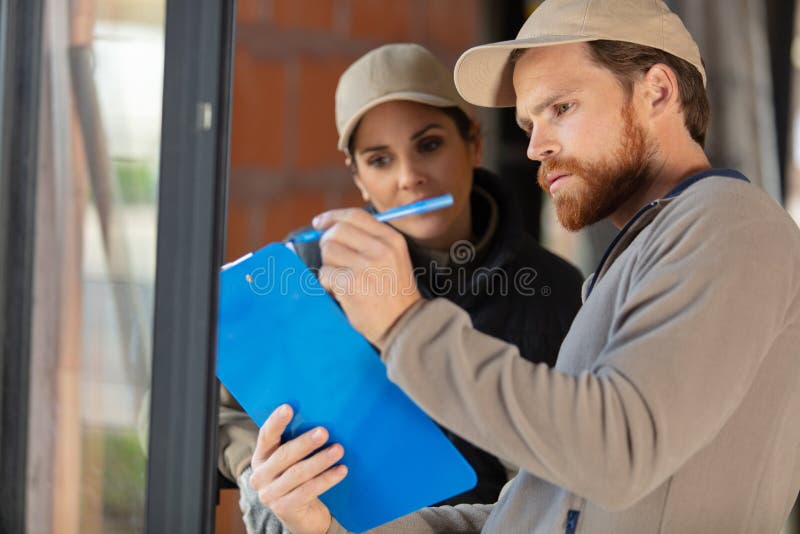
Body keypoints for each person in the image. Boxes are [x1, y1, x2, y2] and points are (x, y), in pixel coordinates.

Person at [248, 0, 800, 532]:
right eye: (528, 122)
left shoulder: (730, 224)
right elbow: (535, 511)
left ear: (656, 91)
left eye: (560, 108)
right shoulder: (643, 252)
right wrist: (332, 528)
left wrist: (403, 325)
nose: (536, 147)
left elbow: (617, 454)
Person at [218, 43, 584, 532]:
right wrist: (262, 482)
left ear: (473, 143)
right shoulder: (301, 273)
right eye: (380, 160)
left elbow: (565, 484)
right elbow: (203, 410)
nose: (410, 177)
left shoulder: (556, 290)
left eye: (429, 145)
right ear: (359, 179)